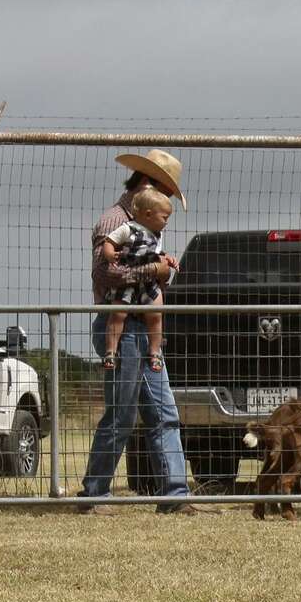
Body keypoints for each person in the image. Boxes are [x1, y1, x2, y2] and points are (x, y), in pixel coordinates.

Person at [77, 149, 216, 516]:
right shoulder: (114, 222)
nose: (167, 204)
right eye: (166, 194)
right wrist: (153, 272)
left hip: (141, 328)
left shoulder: (146, 225)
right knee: (122, 413)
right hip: (122, 327)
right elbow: (105, 276)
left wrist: (158, 268)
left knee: (164, 413)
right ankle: (94, 494)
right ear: (149, 185)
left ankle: (174, 495)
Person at [99, 187, 173, 373]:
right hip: (129, 280)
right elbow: (109, 241)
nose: (167, 222)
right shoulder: (127, 228)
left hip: (149, 283)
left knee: (156, 315)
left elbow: (157, 255)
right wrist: (109, 254)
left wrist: (169, 259)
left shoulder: (157, 236)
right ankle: (111, 351)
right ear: (148, 214)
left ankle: (155, 351)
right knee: (118, 314)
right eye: (165, 217)